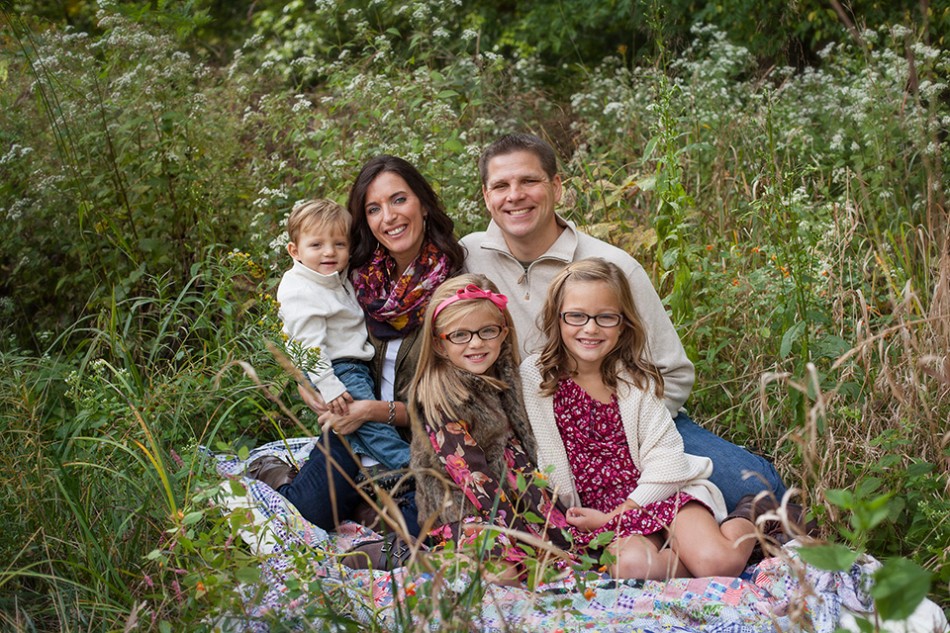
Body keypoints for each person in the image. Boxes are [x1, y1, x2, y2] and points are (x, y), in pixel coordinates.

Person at [460, 132, 788, 511]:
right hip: (532, 433)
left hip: (631, 423)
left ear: (556, 186)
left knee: (755, 489)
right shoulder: (469, 258)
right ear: (486, 197)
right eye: (501, 185)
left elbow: (673, 373)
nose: (515, 195)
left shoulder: (612, 266)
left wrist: (618, 439)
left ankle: (730, 537)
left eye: (529, 181)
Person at [248, 156, 465, 543]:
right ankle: (276, 472)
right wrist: (311, 387)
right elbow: (310, 342)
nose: (389, 217)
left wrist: (376, 411)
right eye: (374, 208)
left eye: (399, 200)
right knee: (306, 515)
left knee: (426, 531)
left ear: (424, 204)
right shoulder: (357, 275)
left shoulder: (455, 286)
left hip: (416, 430)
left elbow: (460, 397)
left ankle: (371, 503)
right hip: (350, 412)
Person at [521, 258, 758, 579]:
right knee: (631, 568)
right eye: (576, 316)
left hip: (661, 495)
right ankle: (682, 554)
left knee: (718, 564)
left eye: (605, 317)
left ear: (622, 324)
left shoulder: (635, 380)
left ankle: (752, 518)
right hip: (598, 513)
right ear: (557, 318)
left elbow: (668, 460)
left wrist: (622, 512)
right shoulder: (536, 376)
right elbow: (539, 454)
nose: (590, 328)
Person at [408, 274, 573, 582]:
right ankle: (419, 560)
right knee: (505, 573)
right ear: (440, 345)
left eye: (487, 331)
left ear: (503, 332)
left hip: (517, 494)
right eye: (460, 335)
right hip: (463, 507)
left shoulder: (506, 375)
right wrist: (526, 540)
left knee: (569, 554)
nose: (476, 343)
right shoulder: (441, 397)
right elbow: (475, 480)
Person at [276, 199, 409, 471]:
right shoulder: (301, 290)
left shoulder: (329, 277)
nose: (329, 252)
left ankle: (375, 471)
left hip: (348, 367)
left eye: (339, 244)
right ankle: (410, 466)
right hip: (335, 369)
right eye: (316, 245)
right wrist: (328, 384)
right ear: (294, 251)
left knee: (356, 428)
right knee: (372, 426)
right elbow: (306, 345)